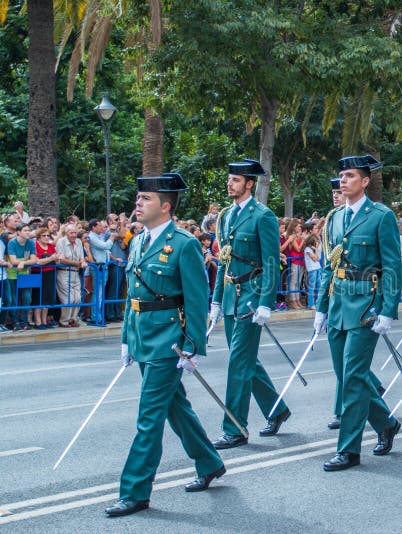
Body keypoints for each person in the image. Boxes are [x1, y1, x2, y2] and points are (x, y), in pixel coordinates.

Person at [105, 173, 225, 517]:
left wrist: (192, 346)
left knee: (149, 415)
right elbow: (134, 297)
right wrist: (127, 337)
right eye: (138, 198)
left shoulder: (183, 244)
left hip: (169, 341)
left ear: (166, 205)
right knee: (175, 405)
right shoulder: (141, 240)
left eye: (146, 199)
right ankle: (209, 461)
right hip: (144, 336)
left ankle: (135, 491)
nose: (137, 204)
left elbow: (196, 299)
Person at [315, 154, 402, 472]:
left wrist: (388, 309)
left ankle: (349, 450)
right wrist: (321, 307)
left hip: (366, 305)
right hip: (338, 304)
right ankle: (386, 423)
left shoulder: (381, 216)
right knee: (347, 375)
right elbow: (330, 265)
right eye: (341, 176)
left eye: (350, 176)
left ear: (365, 181)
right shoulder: (335, 218)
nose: (343, 181)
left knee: (353, 376)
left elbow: (391, 265)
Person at [209, 159, 287, 449]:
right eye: (229, 179)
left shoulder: (262, 216)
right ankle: (276, 408)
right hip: (231, 295)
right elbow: (226, 260)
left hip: (252, 296)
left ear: (249, 183)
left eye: (236, 180)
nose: (230, 184)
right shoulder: (227, 215)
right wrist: (216, 299)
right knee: (245, 360)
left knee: (238, 363)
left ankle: (235, 427)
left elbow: (270, 261)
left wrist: (267, 302)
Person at [7, 223, 38, 331]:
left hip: (24, 274)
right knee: (14, 299)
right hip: (12, 274)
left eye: (29, 230)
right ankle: (15, 322)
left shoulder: (30, 242)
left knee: (27, 298)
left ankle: (24, 321)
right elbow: (13, 260)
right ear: (19, 232)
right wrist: (24, 261)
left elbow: (35, 259)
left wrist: (23, 263)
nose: (28, 232)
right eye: (25, 230)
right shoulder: (12, 243)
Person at [55, 224, 87, 327]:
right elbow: (61, 259)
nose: (73, 235)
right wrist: (76, 263)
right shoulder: (61, 242)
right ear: (66, 233)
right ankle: (64, 320)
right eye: (71, 233)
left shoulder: (78, 242)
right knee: (67, 298)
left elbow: (81, 256)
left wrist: (82, 262)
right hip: (64, 272)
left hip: (75, 273)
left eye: (75, 233)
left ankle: (73, 319)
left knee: (77, 297)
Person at [87, 218, 116, 325]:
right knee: (97, 292)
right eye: (99, 225)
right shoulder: (91, 237)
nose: (101, 227)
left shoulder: (98, 236)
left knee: (100, 293)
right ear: (94, 227)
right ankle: (95, 317)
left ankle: (98, 316)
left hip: (104, 267)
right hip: (98, 267)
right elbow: (105, 246)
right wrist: (112, 237)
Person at [31, 227, 59, 329]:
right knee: (38, 298)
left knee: (47, 298)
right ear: (39, 237)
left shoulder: (51, 246)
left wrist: (57, 258)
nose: (46, 237)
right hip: (38, 274)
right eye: (44, 235)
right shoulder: (35, 246)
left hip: (50, 273)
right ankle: (38, 322)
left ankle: (44, 320)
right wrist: (51, 258)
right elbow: (37, 261)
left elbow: (56, 260)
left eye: (48, 235)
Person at [304, 233, 321, 309]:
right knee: (312, 287)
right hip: (312, 269)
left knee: (319, 286)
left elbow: (318, 259)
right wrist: (316, 249)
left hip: (318, 268)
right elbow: (314, 259)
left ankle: (318, 302)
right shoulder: (307, 249)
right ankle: (311, 304)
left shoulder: (314, 250)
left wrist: (316, 250)